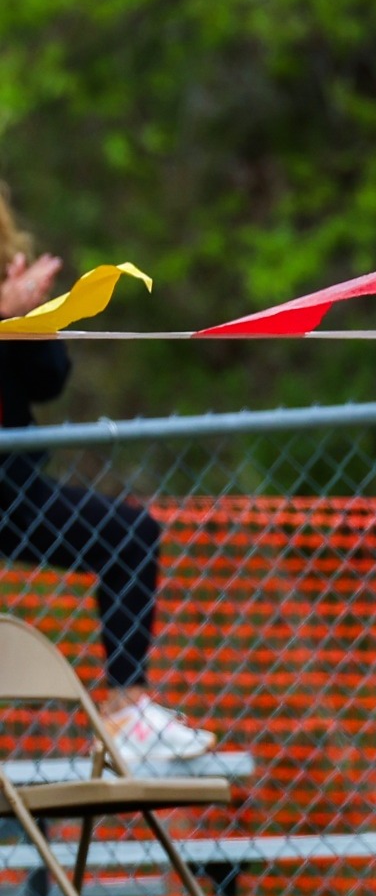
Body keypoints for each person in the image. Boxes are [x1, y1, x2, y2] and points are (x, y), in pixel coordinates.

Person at [0, 183, 218, 767]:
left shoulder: (12, 290)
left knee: (130, 535)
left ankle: (127, 714)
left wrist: (30, 318)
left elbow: (48, 383)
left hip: (12, 492)